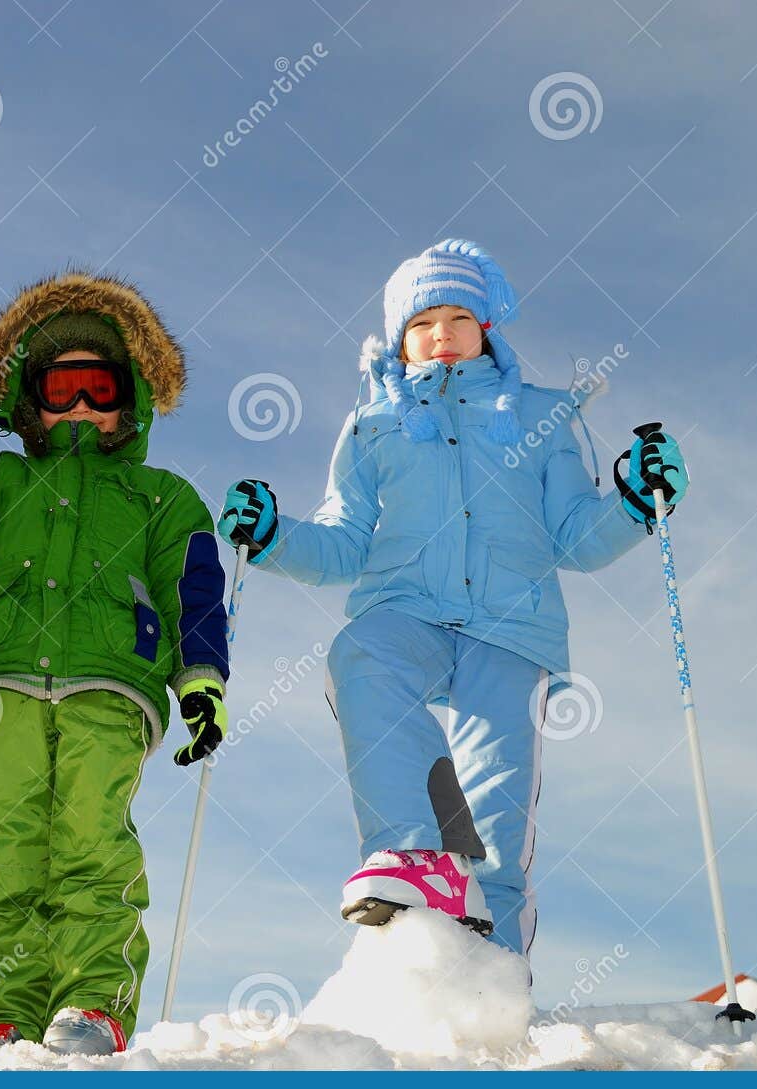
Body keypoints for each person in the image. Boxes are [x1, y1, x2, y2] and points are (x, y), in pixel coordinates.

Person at [218, 238, 687, 957]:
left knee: (496, 820)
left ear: (486, 327)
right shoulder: (374, 426)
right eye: (421, 322)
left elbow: (576, 536)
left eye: (456, 317)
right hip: (405, 609)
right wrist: (273, 536)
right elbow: (345, 541)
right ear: (400, 339)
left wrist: (634, 501)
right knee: (362, 655)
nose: (440, 335)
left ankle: (494, 982)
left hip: (511, 627)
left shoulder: (540, 418)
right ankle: (412, 856)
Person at [0, 272, 230, 1054]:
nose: (80, 405)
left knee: (90, 837)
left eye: (100, 385)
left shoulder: (162, 497)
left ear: (131, 398)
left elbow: (197, 593)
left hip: (113, 686)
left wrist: (202, 682)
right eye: (61, 386)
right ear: (28, 398)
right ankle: (2, 1007)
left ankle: (93, 998)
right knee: (11, 849)